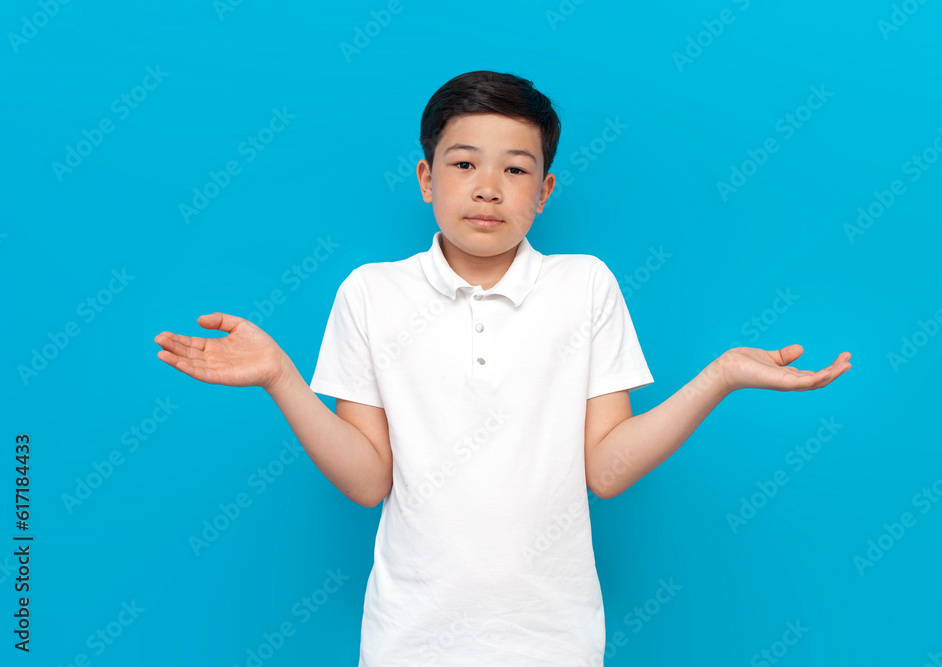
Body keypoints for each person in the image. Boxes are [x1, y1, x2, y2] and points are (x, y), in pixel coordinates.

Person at [153, 70, 851, 665]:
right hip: (409, 642)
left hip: (554, 640)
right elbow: (368, 480)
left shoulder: (586, 286)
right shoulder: (370, 293)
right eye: (464, 164)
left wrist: (719, 376)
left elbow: (606, 469)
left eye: (515, 169)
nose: (488, 187)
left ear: (544, 191)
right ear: (427, 178)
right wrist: (281, 377)